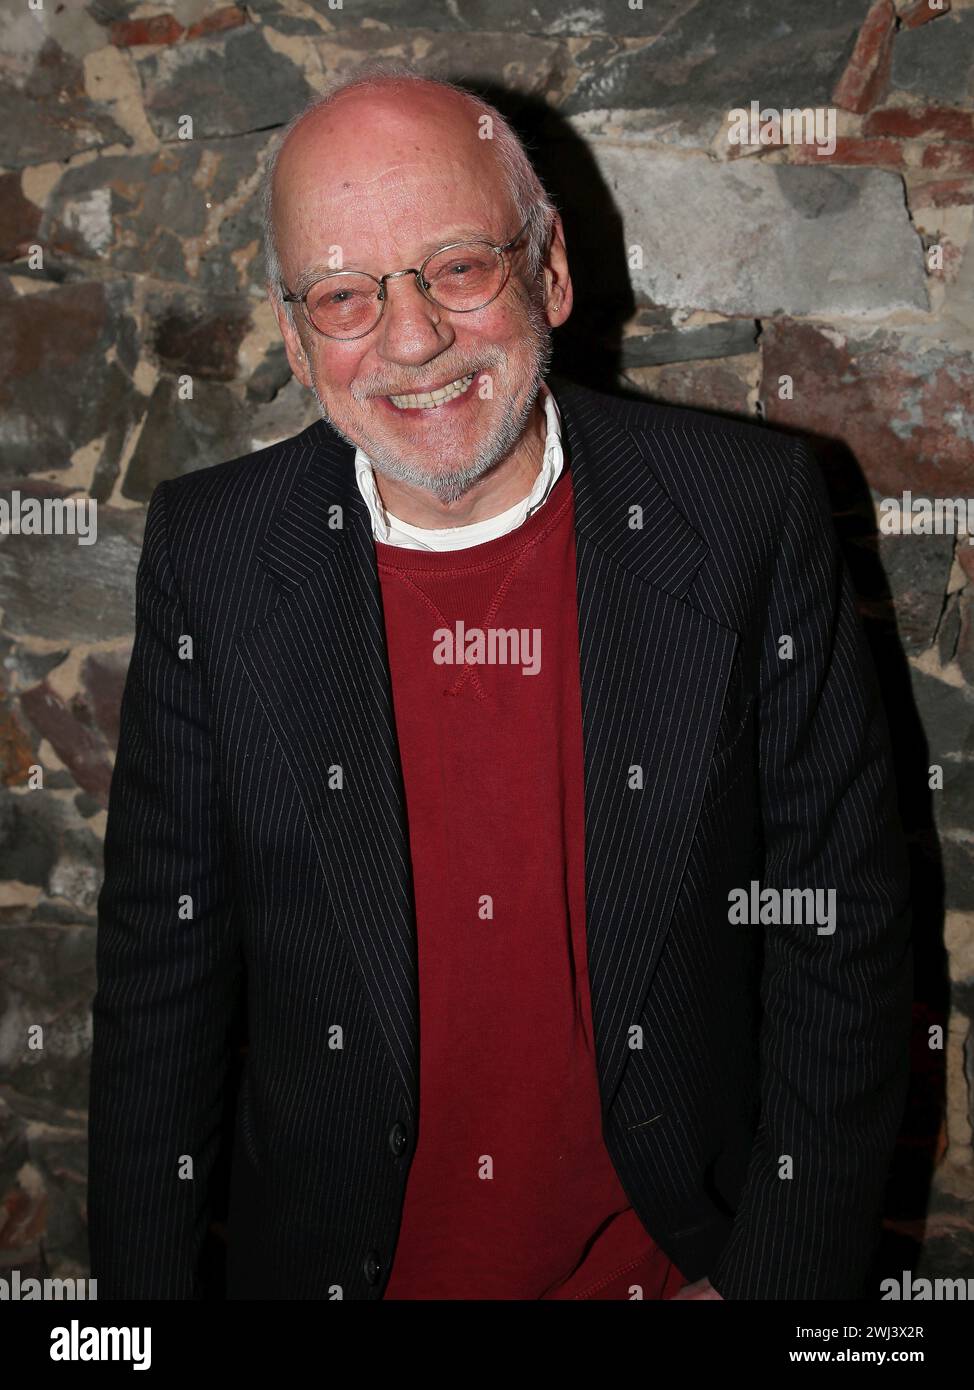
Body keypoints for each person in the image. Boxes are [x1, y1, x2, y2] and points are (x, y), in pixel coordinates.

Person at [87, 64, 913, 1301]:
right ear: (296, 335)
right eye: (344, 295)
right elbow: (163, 973)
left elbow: (836, 938)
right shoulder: (210, 554)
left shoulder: (747, 514)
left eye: (459, 266)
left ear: (552, 270)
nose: (411, 340)